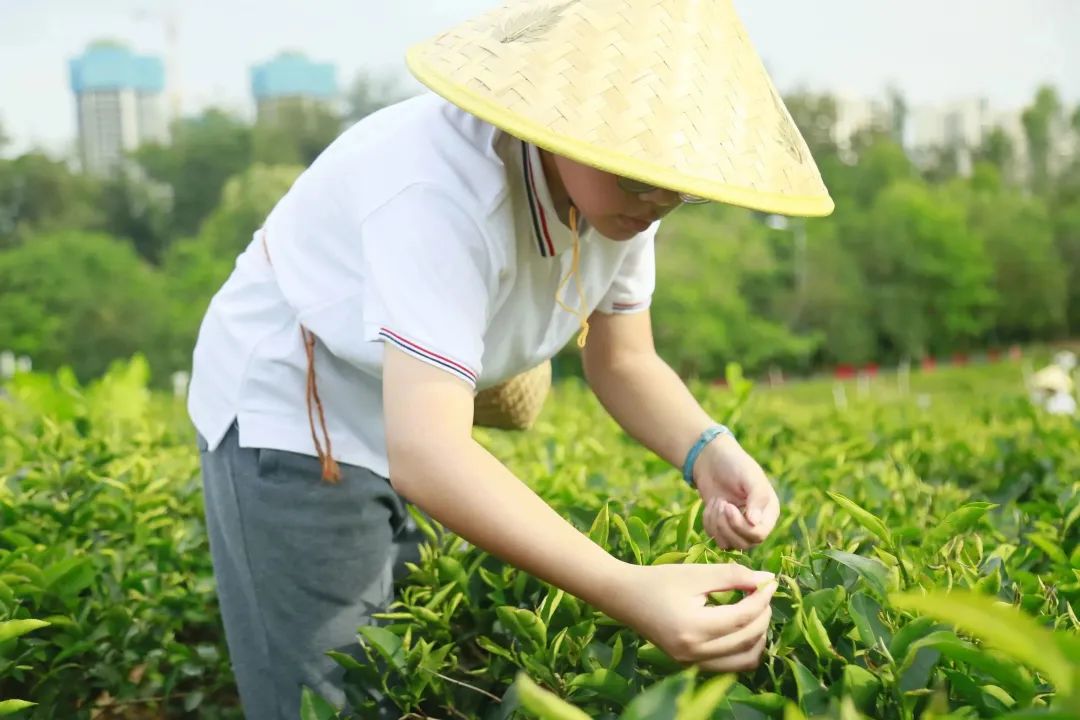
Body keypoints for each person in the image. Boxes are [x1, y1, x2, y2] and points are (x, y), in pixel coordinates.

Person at [187, 0, 834, 717]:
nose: (657, 201)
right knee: (334, 694)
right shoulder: (438, 192)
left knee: (412, 670)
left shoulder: (623, 188)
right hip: (302, 411)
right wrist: (628, 588)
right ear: (560, 122)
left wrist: (710, 451)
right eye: (639, 181)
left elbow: (623, 362)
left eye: (676, 185)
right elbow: (429, 456)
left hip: (419, 409)